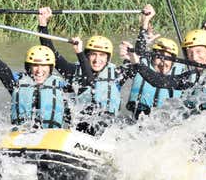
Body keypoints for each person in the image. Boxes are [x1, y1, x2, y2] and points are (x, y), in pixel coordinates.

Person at [0, 16, 88, 129]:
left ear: (51, 68)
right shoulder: (17, 82)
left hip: (54, 138)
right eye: (35, 65)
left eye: (44, 66)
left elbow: (87, 84)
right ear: (28, 67)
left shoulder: (63, 87)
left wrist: (80, 53)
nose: (39, 70)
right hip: (23, 136)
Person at [37, 7, 136, 135]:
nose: (97, 60)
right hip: (81, 127)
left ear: (108, 58)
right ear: (86, 56)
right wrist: (43, 24)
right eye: (93, 54)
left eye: (102, 55)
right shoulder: (73, 71)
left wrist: (144, 25)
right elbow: (51, 53)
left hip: (107, 129)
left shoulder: (117, 74)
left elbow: (138, 65)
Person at [123, 4, 186, 119]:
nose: (163, 62)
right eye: (159, 57)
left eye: (168, 58)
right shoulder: (142, 65)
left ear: (174, 62)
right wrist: (145, 22)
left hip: (166, 125)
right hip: (137, 123)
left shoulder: (181, 75)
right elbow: (138, 53)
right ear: (151, 58)